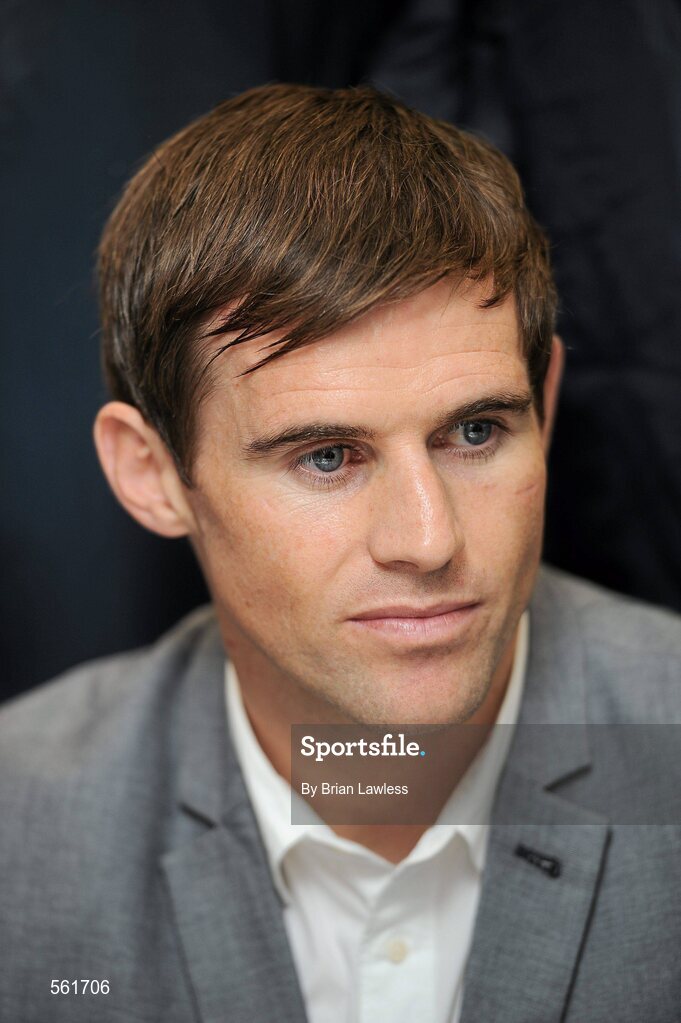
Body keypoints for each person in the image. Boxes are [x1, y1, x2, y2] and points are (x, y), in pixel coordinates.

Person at [0, 84, 679, 1023]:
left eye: (475, 432)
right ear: (152, 474)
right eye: (326, 456)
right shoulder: (18, 832)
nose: (429, 539)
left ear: (546, 401)